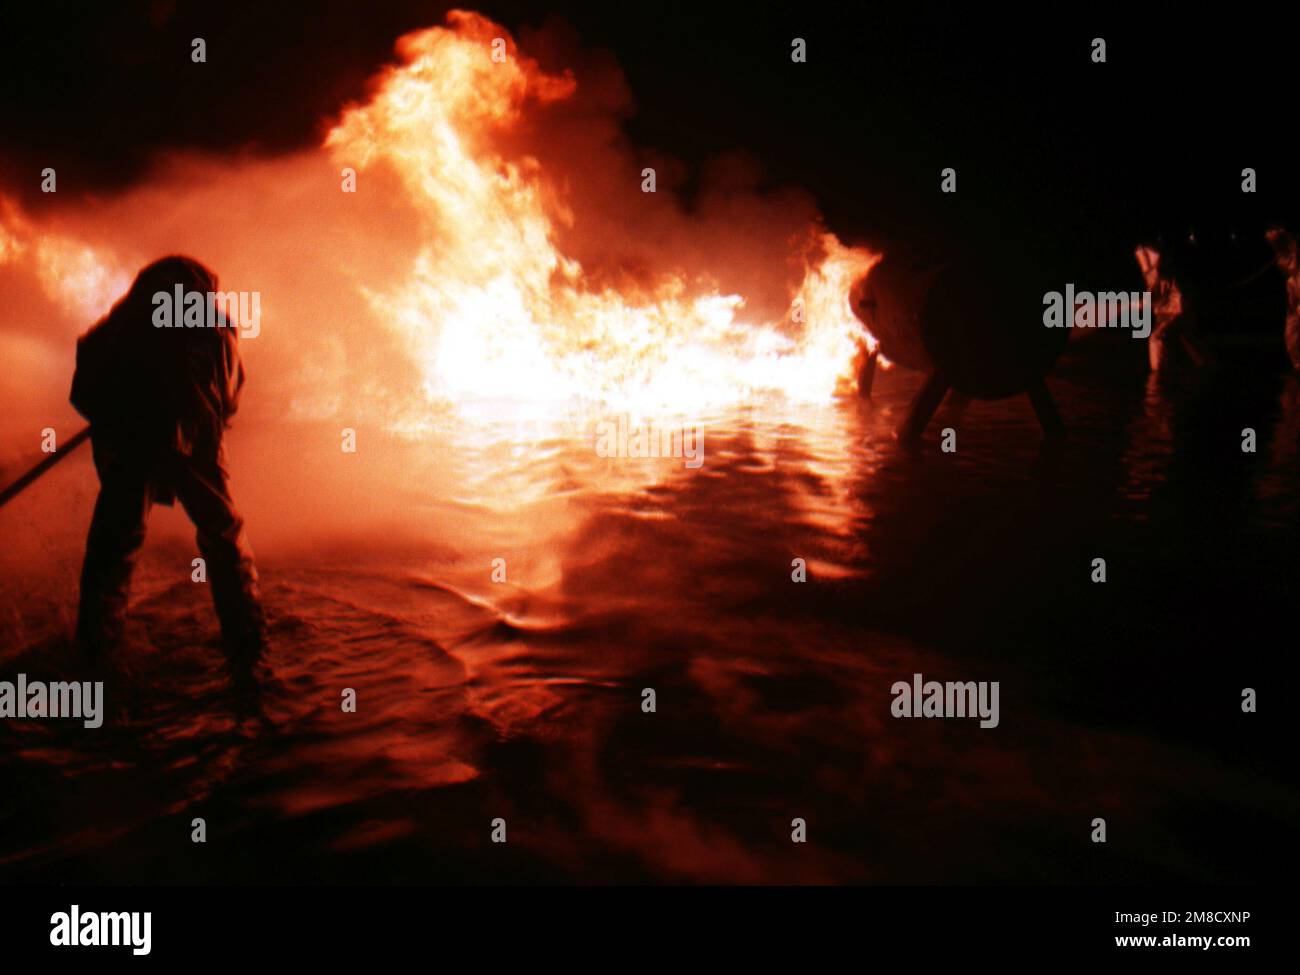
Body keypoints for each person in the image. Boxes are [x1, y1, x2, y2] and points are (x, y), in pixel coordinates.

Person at [70, 256, 266, 690]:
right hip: (192, 437)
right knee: (223, 536)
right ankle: (247, 645)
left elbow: (84, 387)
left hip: (131, 439)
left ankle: (95, 651)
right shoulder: (214, 325)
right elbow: (230, 394)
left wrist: (112, 414)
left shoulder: (121, 323)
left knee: (115, 543)